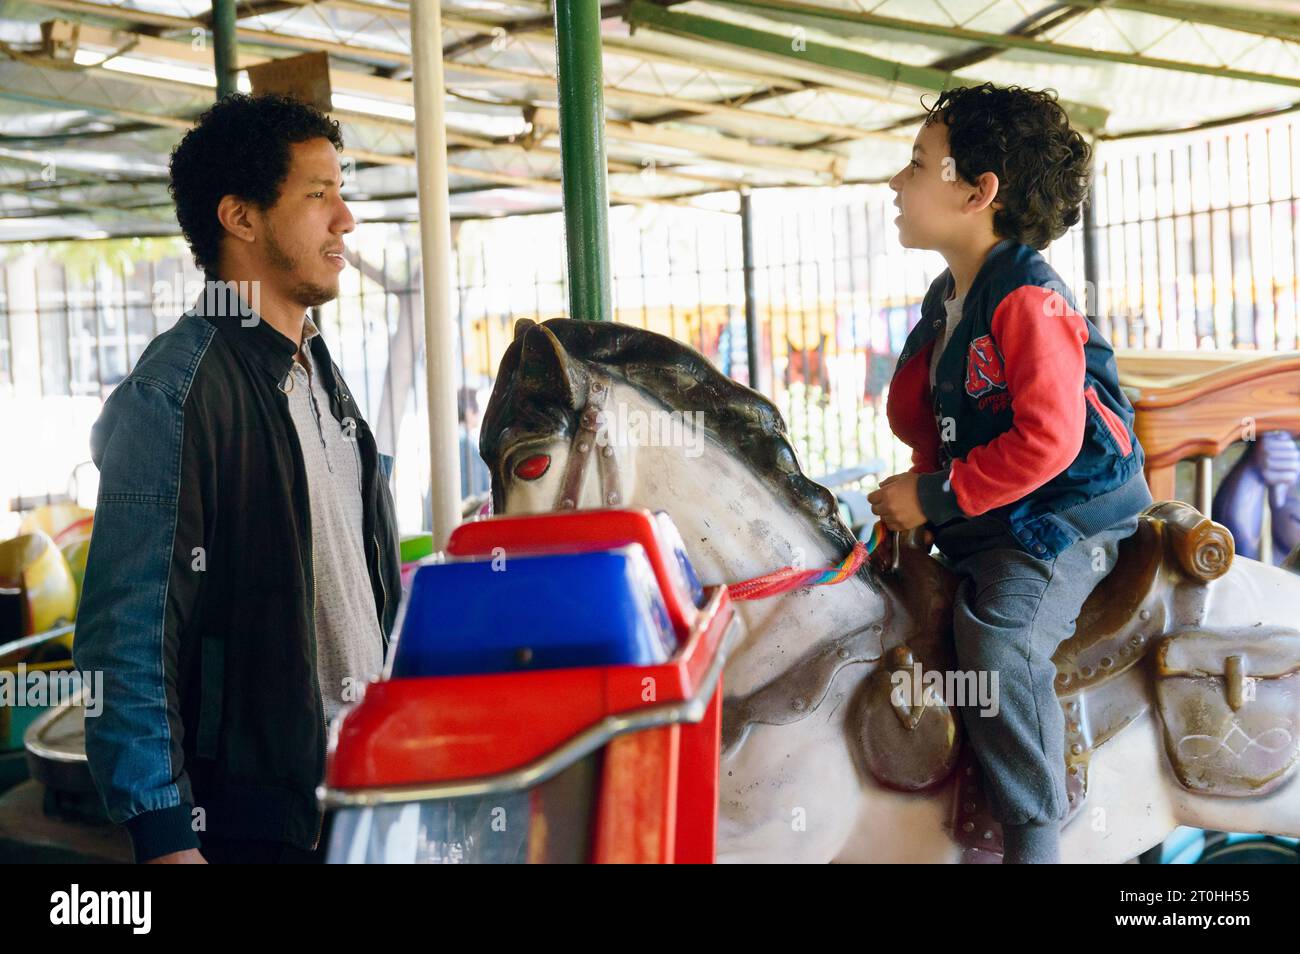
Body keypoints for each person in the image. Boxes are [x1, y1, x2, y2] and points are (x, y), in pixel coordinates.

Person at [74, 94, 401, 864]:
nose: (345, 219)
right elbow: (127, 637)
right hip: (250, 831)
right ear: (241, 217)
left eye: (341, 193)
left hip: (358, 802)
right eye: (319, 194)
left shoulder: (318, 370)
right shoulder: (179, 391)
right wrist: (164, 835)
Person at [867, 84, 1152, 863]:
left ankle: (1033, 832)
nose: (897, 182)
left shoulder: (1028, 299)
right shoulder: (950, 299)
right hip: (991, 506)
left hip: (1066, 515)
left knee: (996, 638)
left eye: (918, 164)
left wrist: (932, 495)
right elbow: (944, 425)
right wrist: (923, 506)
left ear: (977, 191)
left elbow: (1049, 443)